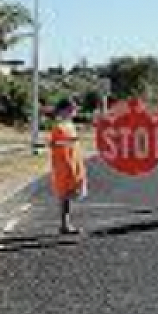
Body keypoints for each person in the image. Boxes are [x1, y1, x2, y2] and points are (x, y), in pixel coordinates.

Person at [49, 97, 87, 234]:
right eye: (72, 109)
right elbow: (56, 147)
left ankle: (66, 224)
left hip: (73, 163)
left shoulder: (70, 125)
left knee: (68, 196)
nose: (75, 112)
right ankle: (64, 225)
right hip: (64, 166)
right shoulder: (59, 128)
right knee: (64, 196)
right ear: (65, 110)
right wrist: (69, 167)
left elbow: (73, 146)